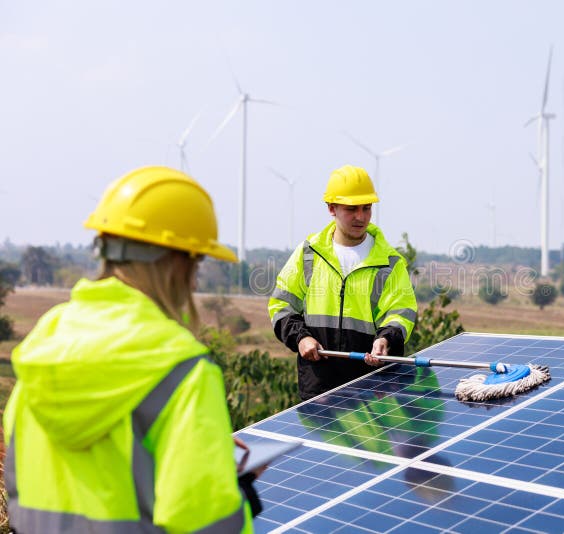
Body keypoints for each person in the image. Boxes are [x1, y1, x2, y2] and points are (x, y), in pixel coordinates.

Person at [3, 166, 258, 532]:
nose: (194, 279)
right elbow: (206, 523)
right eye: (197, 262)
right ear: (178, 263)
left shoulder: (44, 346)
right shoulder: (181, 368)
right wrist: (230, 483)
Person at [269, 164, 417, 400]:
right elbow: (281, 305)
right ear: (332, 208)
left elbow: (401, 312)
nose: (361, 216)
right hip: (319, 389)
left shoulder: (390, 263)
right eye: (352, 209)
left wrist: (385, 339)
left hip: (370, 390)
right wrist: (301, 338)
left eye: (366, 208)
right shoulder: (308, 254)